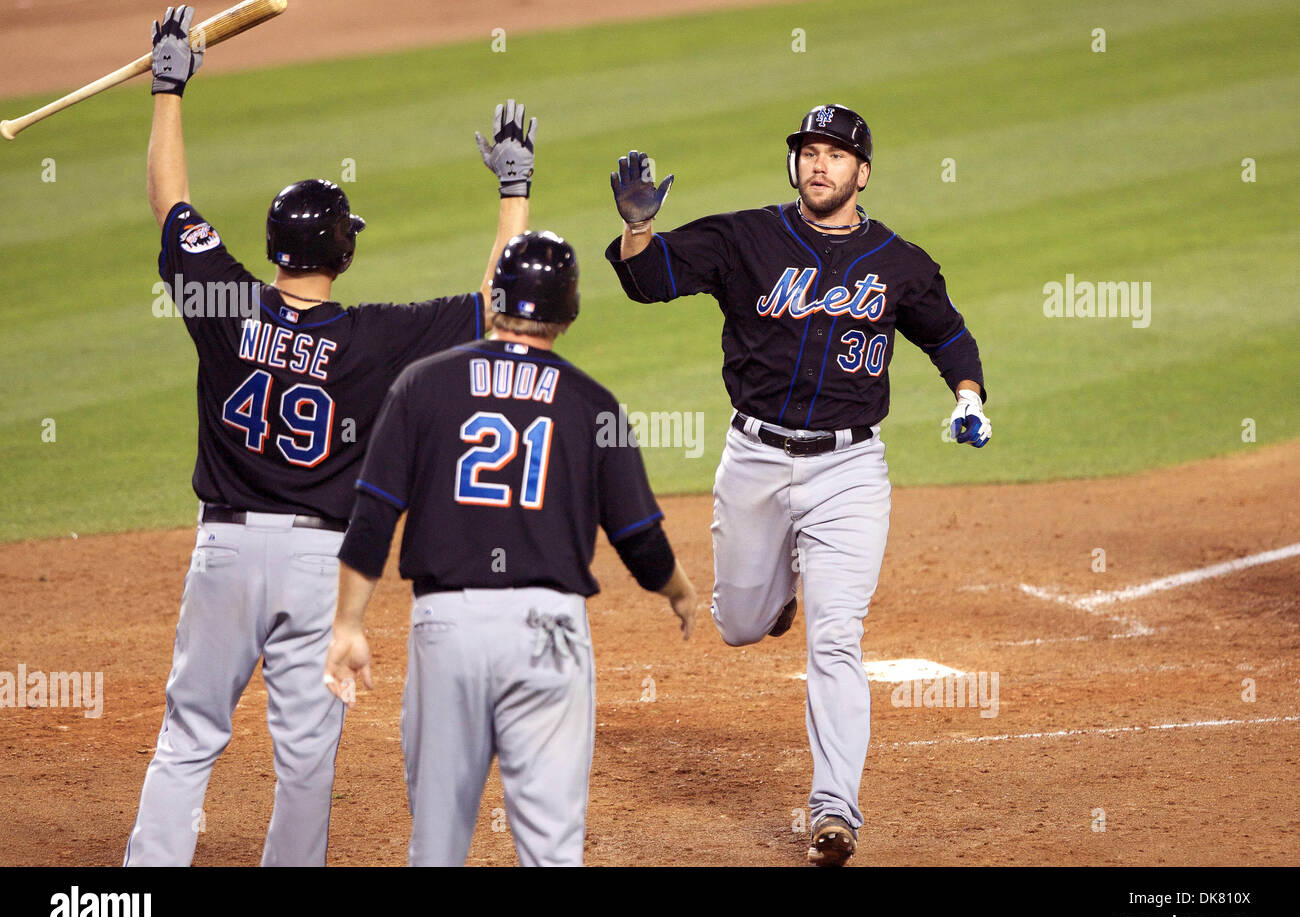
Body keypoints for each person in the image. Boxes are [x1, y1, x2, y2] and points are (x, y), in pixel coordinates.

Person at [124, 5, 539, 866]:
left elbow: (171, 202)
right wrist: (512, 192)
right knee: (308, 759)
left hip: (224, 555)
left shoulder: (225, 304)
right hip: (322, 568)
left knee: (189, 731)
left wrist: (168, 87)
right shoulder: (374, 339)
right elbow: (503, 309)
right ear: (342, 256)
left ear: (272, 246)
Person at [604, 104, 992, 866]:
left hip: (850, 471)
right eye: (809, 152)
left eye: (836, 155)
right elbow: (648, 282)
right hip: (752, 461)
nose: (820, 165)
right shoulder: (744, 238)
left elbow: (946, 332)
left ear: (862, 173)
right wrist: (638, 227)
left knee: (837, 639)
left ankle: (833, 809)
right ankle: (775, 597)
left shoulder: (899, 262)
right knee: (740, 625)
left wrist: (969, 395)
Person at [321, 230, 697, 867]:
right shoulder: (591, 403)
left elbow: (374, 515)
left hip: (449, 629)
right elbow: (639, 540)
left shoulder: (423, 384)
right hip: (548, 632)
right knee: (551, 848)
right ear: (569, 311)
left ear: (494, 300)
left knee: (436, 844)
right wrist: (680, 591)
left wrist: (348, 624)